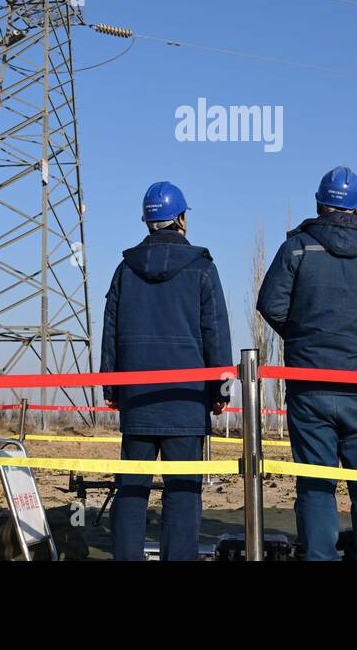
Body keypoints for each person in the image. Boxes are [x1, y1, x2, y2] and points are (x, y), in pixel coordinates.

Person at [256, 166, 357, 560]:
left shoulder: (297, 247)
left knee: (316, 484)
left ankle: (319, 554)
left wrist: (306, 336)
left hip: (309, 385)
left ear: (319, 203)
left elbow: (270, 304)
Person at [99, 181, 232, 561]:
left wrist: (111, 386)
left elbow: (111, 329)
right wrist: (219, 391)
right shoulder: (203, 268)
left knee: (132, 488)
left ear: (147, 221)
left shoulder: (125, 270)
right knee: (183, 491)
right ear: (181, 219)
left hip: (138, 400)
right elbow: (215, 332)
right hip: (187, 401)